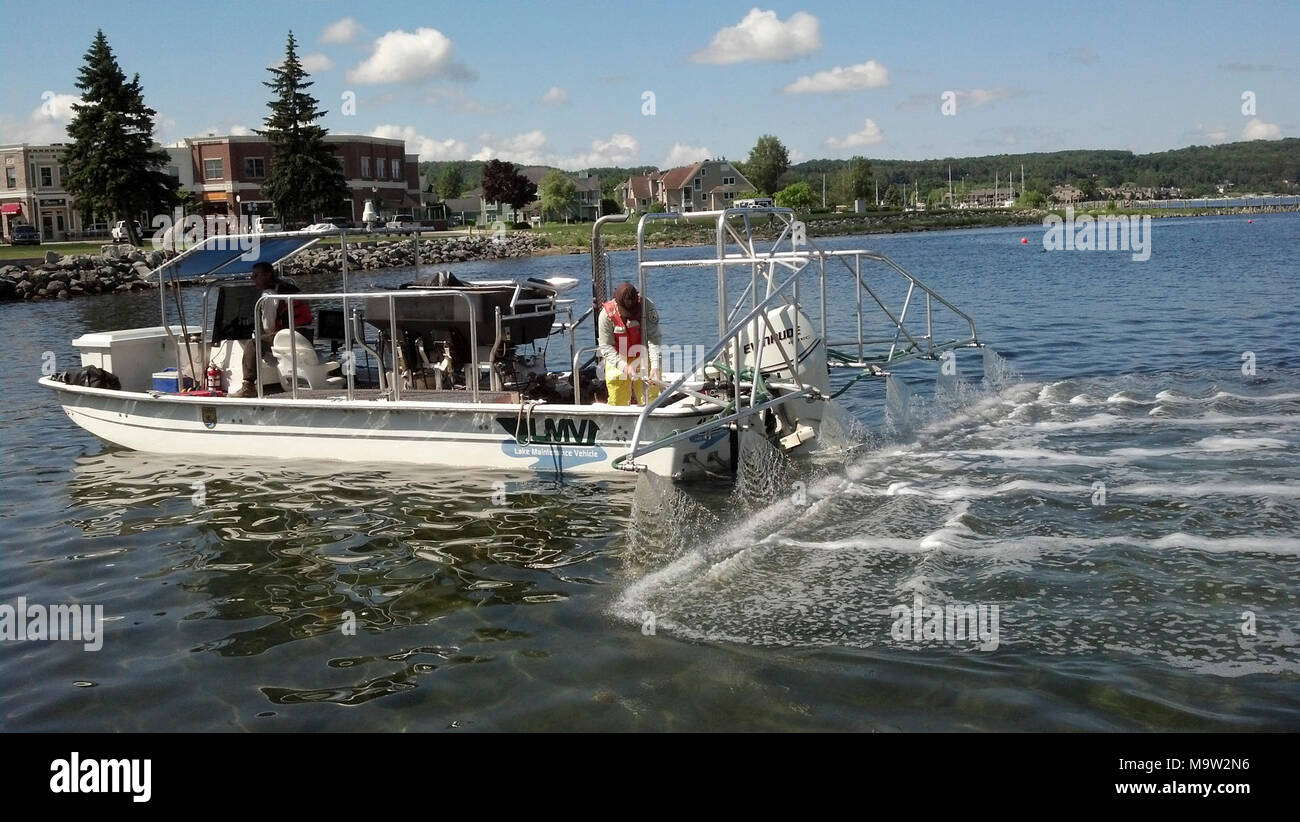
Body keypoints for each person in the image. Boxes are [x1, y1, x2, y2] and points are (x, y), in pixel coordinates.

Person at [230, 262, 311, 397]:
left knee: (253, 344)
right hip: (305, 335)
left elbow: (268, 327)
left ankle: (248, 386)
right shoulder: (289, 287)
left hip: (286, 336)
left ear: (267, 275)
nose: (253, 279)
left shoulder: (269, 294)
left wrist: (259, 335)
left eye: (256, 275)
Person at [598, 282, 661, 406]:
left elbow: (654, 338)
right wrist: (624, 367)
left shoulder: (647, 307)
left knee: (651, 396)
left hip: (643, 355)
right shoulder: (606, 315)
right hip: (618, 356)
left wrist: (655, 366)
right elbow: (606, 347)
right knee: (617, 399)